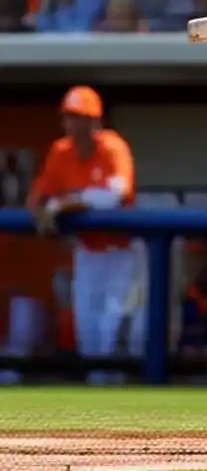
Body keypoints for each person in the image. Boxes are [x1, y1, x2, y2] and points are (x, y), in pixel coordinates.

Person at [26, 86, 137, 384]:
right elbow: (38, 195)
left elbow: (116, 195)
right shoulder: (60, 151)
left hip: (121, 255)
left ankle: (122, 407)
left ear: (95, 121)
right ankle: (96, 413)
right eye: (70, 118)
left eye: (81, 118)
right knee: (87, 335)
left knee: (113, 334)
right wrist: (42, 211)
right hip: (88, 255)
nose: (74, 125)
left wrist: (64, 202)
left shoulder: (113, 146)